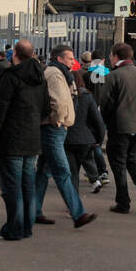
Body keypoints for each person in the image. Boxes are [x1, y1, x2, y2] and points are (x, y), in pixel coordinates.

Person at [0, 40, 46, 241]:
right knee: (27, 185)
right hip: (32, 138)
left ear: (15, 55)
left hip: (11, 138)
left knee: (12, 187)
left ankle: (13, 229)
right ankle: (26, 227)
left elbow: (0, 109)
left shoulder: (10, 77)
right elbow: (46, 108)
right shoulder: (40, 77)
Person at [35, 44, 96, 229]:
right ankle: (78, 214)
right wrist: (58, 120)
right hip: (54, 129)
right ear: (60, 59)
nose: (73, 61)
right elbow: (59, 101)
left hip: (56, 129)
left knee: (43, 173)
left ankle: (33, 211)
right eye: (70, 58)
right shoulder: (55, 73)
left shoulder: (61, 73)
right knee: (63, 172)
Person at [98, 43, 136, 214]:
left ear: (116, 57)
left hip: (119, 126)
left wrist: (107, 122)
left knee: (118, 164)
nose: (109, 59)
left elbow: (106, 104)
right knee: (133, 158)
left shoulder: (114, 76)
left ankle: (123, 201)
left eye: (111, 56)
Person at [65, 69, 108, 192]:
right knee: (87, 159)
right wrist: (98, 140)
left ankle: (74, 202)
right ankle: (95, 179)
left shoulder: (64, 96)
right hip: (85, 138)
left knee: (73, 172)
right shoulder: (87, 97)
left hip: (67, 139)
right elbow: (98, 121)